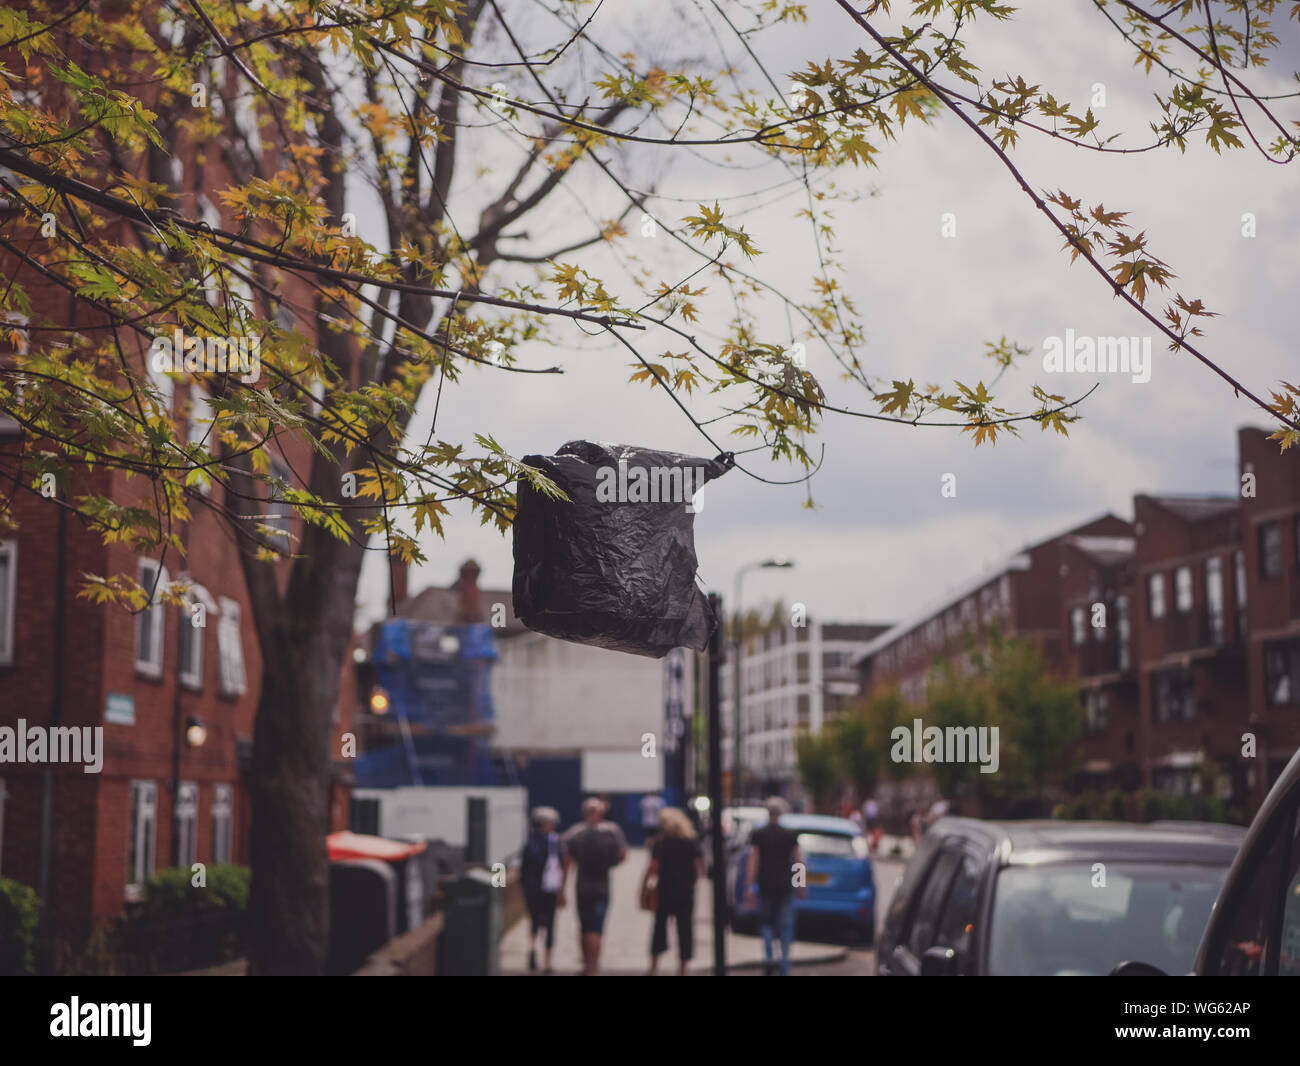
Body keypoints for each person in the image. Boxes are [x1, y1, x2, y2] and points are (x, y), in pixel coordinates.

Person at [562, 796, 628, 976]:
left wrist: (561, 888)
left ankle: (586, 964)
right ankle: (593, 966)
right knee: (596, 928)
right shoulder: (612, 831)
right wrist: (609, 864)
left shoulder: (575, 833)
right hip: (602, 885)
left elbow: (565, 858)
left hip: (582, 885)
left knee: (584, 927)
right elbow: (622, 854)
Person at [744, 797, 805, 976]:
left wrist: (749, 886)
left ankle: (770, 957)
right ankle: (784, 966)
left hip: (765, 885)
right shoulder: (790, 834)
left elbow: (753, 861)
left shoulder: (759, 834)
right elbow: (798, 861)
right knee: (786, 927)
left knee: (767, 924)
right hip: (786, 886)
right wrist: (801, 884)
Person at [641, 807, 705, 975]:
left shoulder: (661, 842)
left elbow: (653, 867)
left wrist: (644, 887)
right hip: (685, 890)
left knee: (659, 928)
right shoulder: (691, 841)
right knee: (685, 928)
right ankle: (683, 967)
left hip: (665, 889)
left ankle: (654, 966)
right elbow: (699, 867)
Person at [520, 806, 564, 974]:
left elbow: (521, 868)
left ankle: (531, 948)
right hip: (549, 889)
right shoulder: (554, 842)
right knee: (550, 923)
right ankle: (547, 962)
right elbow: (561, 865)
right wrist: (561, 890)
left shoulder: (529, 843)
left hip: (532, 889)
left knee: (534, 921)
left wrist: (498, 884)